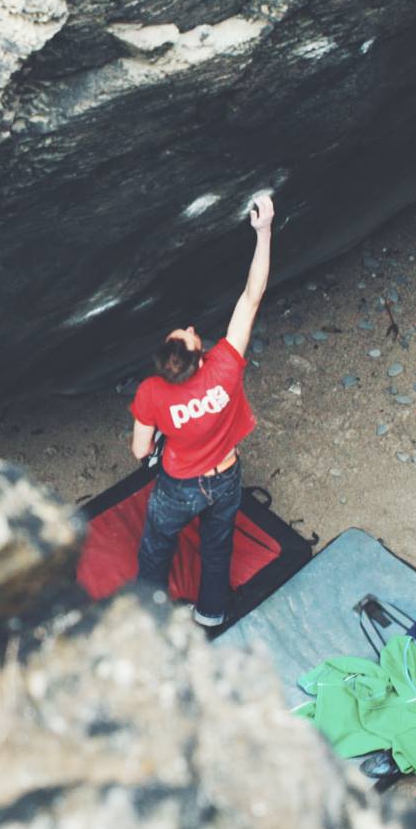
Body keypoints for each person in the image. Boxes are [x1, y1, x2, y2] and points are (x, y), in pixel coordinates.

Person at [126, 192, 274, 626]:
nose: (193, 328)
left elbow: (140, 451)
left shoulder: (152, 393)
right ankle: (211, 612)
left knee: (157, 545)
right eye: (191, 334)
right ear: (199, 356)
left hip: (179, 485)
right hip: (226, 477)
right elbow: (252, 295)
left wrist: (160, 448)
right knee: (217, 544)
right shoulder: (225, 366)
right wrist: (263, 232)